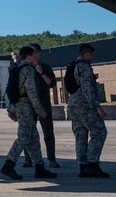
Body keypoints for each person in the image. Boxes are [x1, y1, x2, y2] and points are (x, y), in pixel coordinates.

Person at [0, 46, 56, 181]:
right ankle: (9, 164)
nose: (36, 57)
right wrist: (40, 110)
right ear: (29, 56)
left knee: (33, 139)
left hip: (20, 106)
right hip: (26, 107)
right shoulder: (28, 70)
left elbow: (12, 90)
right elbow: (31, 92)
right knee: (24, 137)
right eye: (34, 55)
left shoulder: (18, 69)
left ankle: (39, 167)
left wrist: (12, 109)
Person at [67, 43, 108, 178]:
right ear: (87, 54)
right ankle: (92, 164)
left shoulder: (72, 65)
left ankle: (83, 166)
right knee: (100, 132)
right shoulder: (84, 66)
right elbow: (87, 88)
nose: (93, 57)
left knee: (81, 136)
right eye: (92, 54)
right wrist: (96, 107)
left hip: (73, 104)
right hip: (84, 105)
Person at [22, 43, 58, 168]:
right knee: (29, 133)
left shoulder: (46, 67)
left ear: (39, 53)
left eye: (35, 52)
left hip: (44, 104)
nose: (33, 55)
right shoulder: (25, 69)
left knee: (48, 132)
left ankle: (52, 159)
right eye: (31, 52)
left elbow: (52, 83)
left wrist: (42, 73)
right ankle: (28, 159)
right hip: (29, 105)